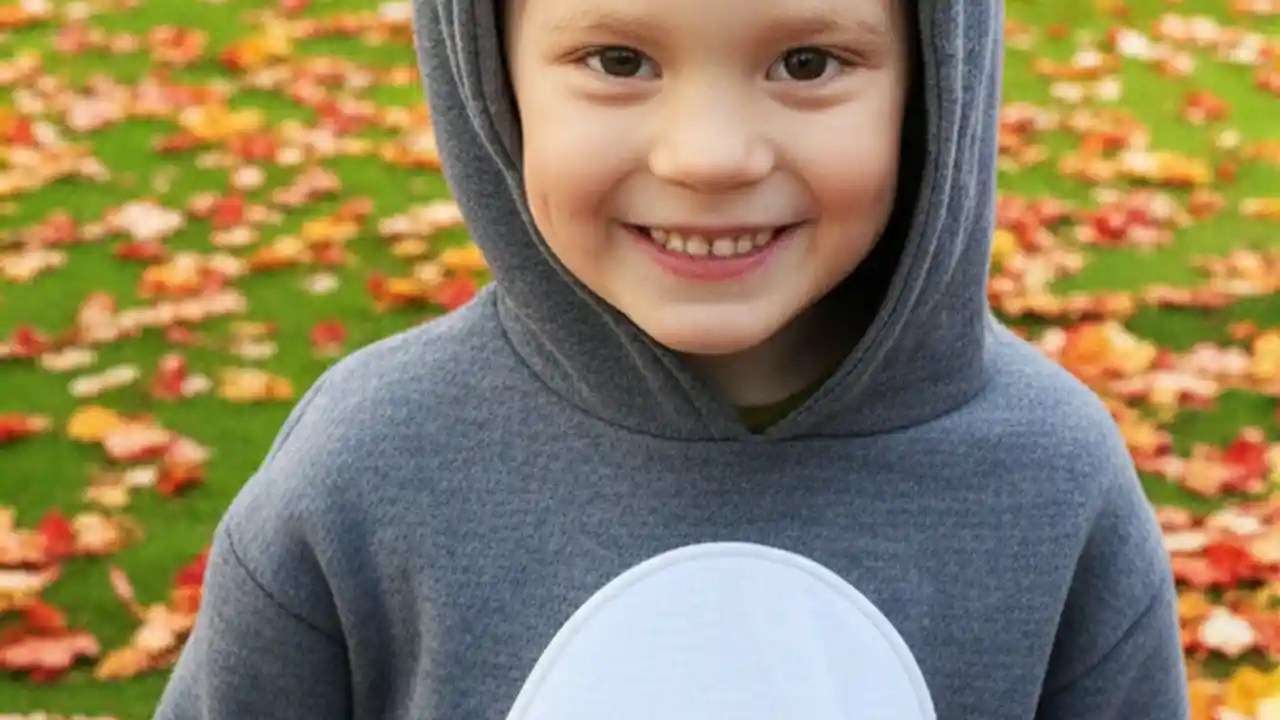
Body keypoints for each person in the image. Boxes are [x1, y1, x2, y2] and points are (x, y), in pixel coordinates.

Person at [155, 0, 1191, 717]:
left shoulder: (1051, 483)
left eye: (805, 62)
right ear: (491, 73)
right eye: (618, 60)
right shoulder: (363, 466)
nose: (706, 155)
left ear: (931, 82)